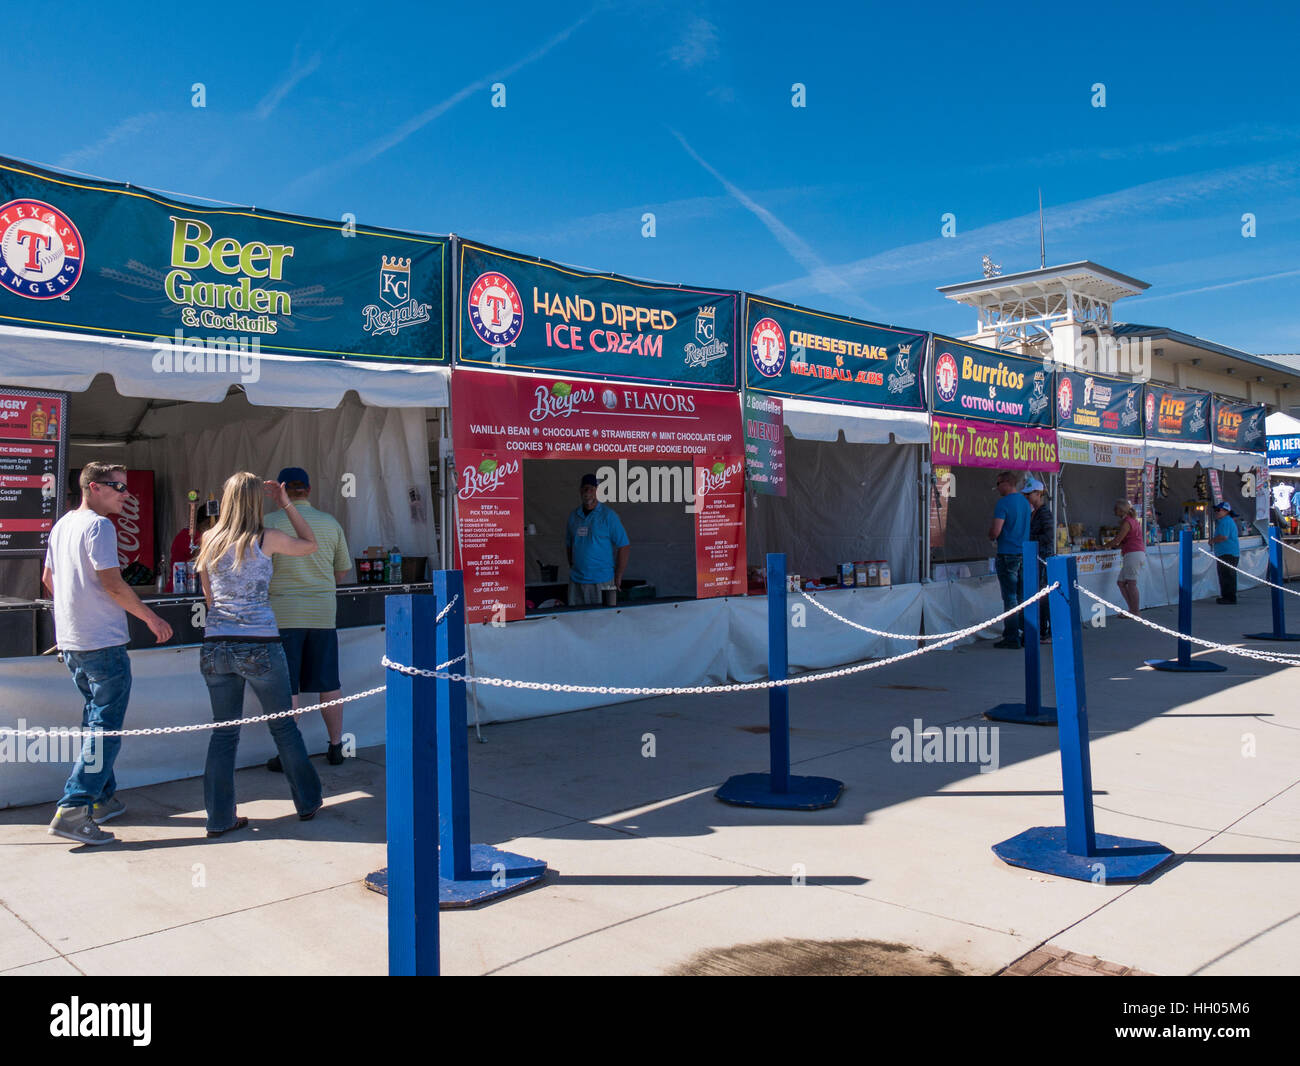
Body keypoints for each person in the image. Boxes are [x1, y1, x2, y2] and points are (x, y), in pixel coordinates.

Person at [43, 463, 174, 845]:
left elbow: (49, 580)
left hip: (74, 641)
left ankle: (100, 798)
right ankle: (75, 807)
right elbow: (113, 584)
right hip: (101, 641)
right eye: (118, 487)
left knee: (95, 721)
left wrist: (75, 611)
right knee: (106, 729)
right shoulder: (99, 526)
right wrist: (151, 618)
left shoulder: (63, 524)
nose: (125, 494)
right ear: (94, 488)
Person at [194, 473, 322, 837]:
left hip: (216, 643)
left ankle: (219, 817)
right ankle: (308, 801)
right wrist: (285, 502)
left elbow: (209, 598)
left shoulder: (209, 539)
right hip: (260, 642)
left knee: (223, 733)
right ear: (256, 502)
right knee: (283, 726)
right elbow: (310, 544)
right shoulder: (267, 537)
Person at [263, 467, 352, 772]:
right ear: (309, 490)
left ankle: (289, 752)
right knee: (329, 683)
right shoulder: (330, 523)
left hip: (284, 615)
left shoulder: (269, 523)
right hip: (323, 613)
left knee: (289, 687)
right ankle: (336, 746)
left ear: (281, 490)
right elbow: (341, 571)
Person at [565, 473, 630, 606]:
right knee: (575, 622)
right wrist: (574, 565)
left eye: (592, 489)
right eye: (585, 488)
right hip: (577, 581)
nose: (588, 492)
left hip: (602, 581)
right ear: (580, 491)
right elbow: (569, 544)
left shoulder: (608, 516)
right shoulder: (573, 516)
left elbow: (624, 545)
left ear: (597, 491)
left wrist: (618, 576)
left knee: (602, 622)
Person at [988, 470, 1032, 648]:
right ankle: (1025, 633)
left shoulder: (1003, 504)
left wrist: (990, 535)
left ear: (1006, 483)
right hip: (1024, 552)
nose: (997, 488)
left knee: (1010, 597)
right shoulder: (1025, 502)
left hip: (1007, 553)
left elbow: (996, 530)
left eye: (998, 484)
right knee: (1023, 595)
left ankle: (1012, 636)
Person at [1024, 477, 1053, 642]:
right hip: (1035, 558)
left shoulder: (1044, 513)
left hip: (1043, 559)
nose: (1027, 497)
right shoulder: (1034, 512)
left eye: (1030, 494)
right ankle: (1041, 629)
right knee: (1038, 596)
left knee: (1043, 596)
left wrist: (1029, 538)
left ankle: (1046, 631)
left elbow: (1049, 536)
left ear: (1038, 493)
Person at [1104, 499, 1146, 615]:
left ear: (1121, 510)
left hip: (1133, 554)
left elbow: (1118, 540)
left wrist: (1104, 546)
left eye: (1116, 509)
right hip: (1135, 553)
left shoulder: (1127, 522)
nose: (1114, 511)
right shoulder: (1133, 521)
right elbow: (1124, 540)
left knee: (1131, 584)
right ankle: (1132, 609)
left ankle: (1135, 611)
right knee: (1121, 583)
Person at [1210, 500, 1240, 605]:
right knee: (1227, 575)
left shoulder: (1225, 521)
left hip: (1227, 553)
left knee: (1227, 576)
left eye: (1218, 510)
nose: (1216, 512)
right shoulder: (1227, 520)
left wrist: (1212, 540)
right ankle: (1228, 596)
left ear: (1226, 511)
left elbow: (1223, 536)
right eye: (1215, 510)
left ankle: (1229, 597)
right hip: (1228, 553)